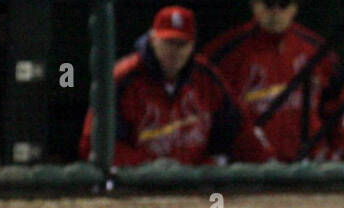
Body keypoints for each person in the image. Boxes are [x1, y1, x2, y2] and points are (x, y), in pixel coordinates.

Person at [78, 6, 243, 167]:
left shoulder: (206, 77)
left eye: (182, 43)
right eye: (168, 42)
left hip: (195, 187)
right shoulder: (123, 78)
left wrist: (206, 167)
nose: (174, 50)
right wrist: (150, 168)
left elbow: (235, 130)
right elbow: (93, 146)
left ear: (192, 45)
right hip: (133, 188)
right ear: (153, 39)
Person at [202, 1, 344, 162]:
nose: (275, 12)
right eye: (268, 4)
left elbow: (338, 107)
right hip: (247, 171)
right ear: (254, 5)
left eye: (283, 4)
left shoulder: (318, 50)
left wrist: (336, 152)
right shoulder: (225, 52)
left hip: (309, 168)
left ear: (294, 8)